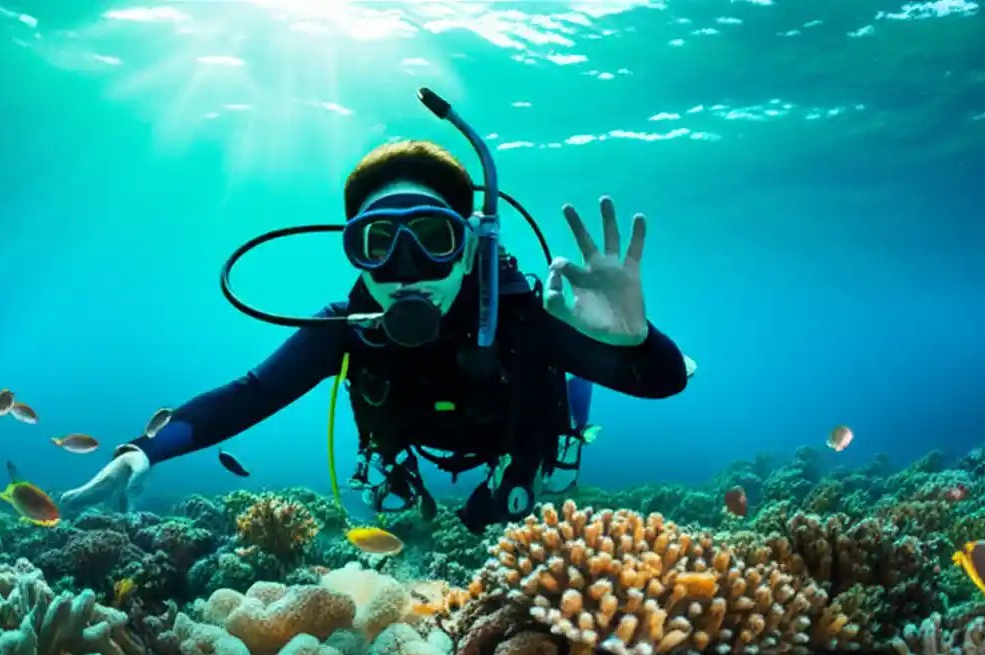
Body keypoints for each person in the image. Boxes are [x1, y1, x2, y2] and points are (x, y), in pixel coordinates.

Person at [61, 93, 693, 532]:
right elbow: (248, 396)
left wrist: (635, 339)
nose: (407, 269)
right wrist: (143, 451)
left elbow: (663, 381)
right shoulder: (348, 330)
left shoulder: (524, 314)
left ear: (473, 241)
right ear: (356, 254)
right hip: (418, 446)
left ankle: (579, 383)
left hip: (517, 443)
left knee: (526, 477)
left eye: (433, 237)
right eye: (378, 244)